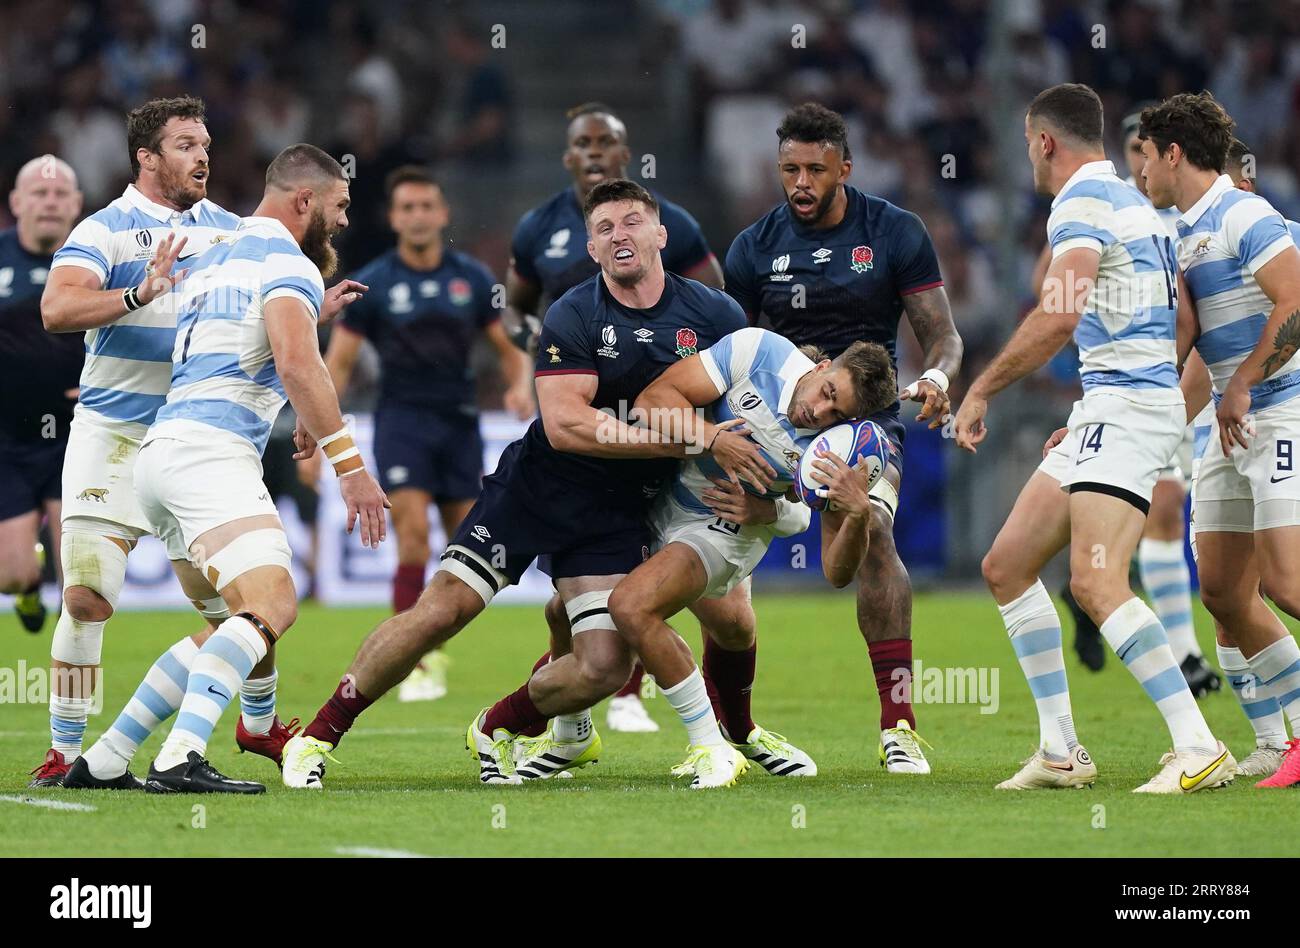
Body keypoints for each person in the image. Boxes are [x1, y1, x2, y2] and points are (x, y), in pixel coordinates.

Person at [280, 179, 758, 790]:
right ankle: (318, 736)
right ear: (590, 248)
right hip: (538, 487)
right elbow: (564, 426)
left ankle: (496, 724)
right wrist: (684, 439)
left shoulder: (716, 316)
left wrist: (755, 478)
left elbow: (750, 407)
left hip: (620, 510)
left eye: (632, 222)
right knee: (442, 611)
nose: (620, 236)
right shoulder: (574, 313)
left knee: (605, 667)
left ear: (661, 234)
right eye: (604, 228)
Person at [953, 83, 1234, 793]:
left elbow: (1058, 314)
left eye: (1027, 143)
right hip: (1111, 407)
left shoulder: (1079, 202)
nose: (1028, 155)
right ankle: (1059, 750)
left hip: (1128, 412)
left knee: (1095, 579)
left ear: (1044, 140)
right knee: (1007, 564)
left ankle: (1198, 745)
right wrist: (1094, 404)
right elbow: (1167, 327)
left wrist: (981, 388)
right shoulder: (1135, 206)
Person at [131, 143, 388, 793]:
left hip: (161, 453)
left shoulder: (213, 253)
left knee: (236, 622)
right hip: (211, 457)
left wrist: (298, 384)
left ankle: (107, 755)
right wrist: (351, 468)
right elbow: (296, 362)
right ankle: (181, 753)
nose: (346, 222)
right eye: (341, 206)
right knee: (272, 602)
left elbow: (236, 350)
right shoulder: (287, 262)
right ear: (306, 201)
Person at [722, 102, 962, 774]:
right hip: (778, 417)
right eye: (789, 169)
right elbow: (729, 347)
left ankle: (900, 727)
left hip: (862, 423)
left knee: (876, 536)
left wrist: (939, 375)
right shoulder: (753, 247)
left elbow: (942, 332)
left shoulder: (894, 232)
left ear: (845, 168)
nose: (800, 182)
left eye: (815, 170)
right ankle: (717, 729)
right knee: (708, 549)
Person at [542, 328, 895, 783]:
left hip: (714, 524)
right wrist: (713, 438)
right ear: (824, 367)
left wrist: (853, 514)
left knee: (708, 621)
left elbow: (831, 565)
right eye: (828, 392)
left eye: (836, 412)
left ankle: (734, 736)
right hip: (649, 491)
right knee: (564, 612)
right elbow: (654, 401)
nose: (819, 411)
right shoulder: (758, 351)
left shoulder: (838, 449)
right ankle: (564, 729)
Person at [33, 96, 245, 789]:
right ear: (146, 158)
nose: (202, 155)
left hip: (196, 439)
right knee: (88, 595)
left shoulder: (232, 231)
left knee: (234, 609)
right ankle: (67, 751)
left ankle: (237, 732)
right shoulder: (107, 228)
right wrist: (137, 294)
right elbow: (57, 308)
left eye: (205, 143)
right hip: (114, 434)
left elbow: (272, 307)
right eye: (185, 144)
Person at [505, 101, 724, 733]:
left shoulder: (674, 226)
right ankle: (590, 711)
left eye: (608, 141)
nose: (596, 151)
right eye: (585, 143)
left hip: (666, 433)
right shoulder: (538, 228)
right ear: (569, 156)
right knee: (579, 599)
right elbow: (514, 310)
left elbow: (717, 314)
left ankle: (724, 730)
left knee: (718, 609)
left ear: (625, 155)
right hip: (583, 430)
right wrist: (538, 352)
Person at [321, 165, 534, 702]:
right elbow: (338, 364)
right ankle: (412, 665)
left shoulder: (473, 280)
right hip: (401, 424)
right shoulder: (374, 282)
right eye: (407, 208)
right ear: (394, 218)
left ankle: (429, 645)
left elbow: (512, 351)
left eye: (426, 207)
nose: (417, 216)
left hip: (460, 426)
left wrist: (519, 388)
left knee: (467, 553)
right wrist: (318, 429)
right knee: (412, 537)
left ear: (442, 214)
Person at [1137, 94, 1300, 789]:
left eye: (1144, 157)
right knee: (1225, 593)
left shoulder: (1243, 213)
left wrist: (1244, 387)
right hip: (1230, 429)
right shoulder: (1186, 233)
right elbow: (1204, 358)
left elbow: (1296, 301)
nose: (1140, 172)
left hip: (1282, 415)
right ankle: (1274, 742)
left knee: (1287, 581)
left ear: (1175, 154)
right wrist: (1155, 426)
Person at [1054, 104, 1221, 695]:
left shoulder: (1186, 217)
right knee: (1159, 512)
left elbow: (1193, 314)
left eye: (1145, 152)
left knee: (1172, 520)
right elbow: (1053, 291)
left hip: (1181, 386)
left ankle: (1177, 646)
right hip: (1136, 391)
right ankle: (1184, 654)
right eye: (1133, 154)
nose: (1140, 165)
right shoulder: (1113, 209)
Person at [0, 156, 83, 635]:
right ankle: (28, 590)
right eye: (38, 193)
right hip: (7, 438)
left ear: (75, 204)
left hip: (76, 434)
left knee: (81, 581)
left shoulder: (95, 261)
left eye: (59, 195)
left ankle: (70, 692)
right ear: (16, 202)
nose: (49, 202)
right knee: (11, 575)